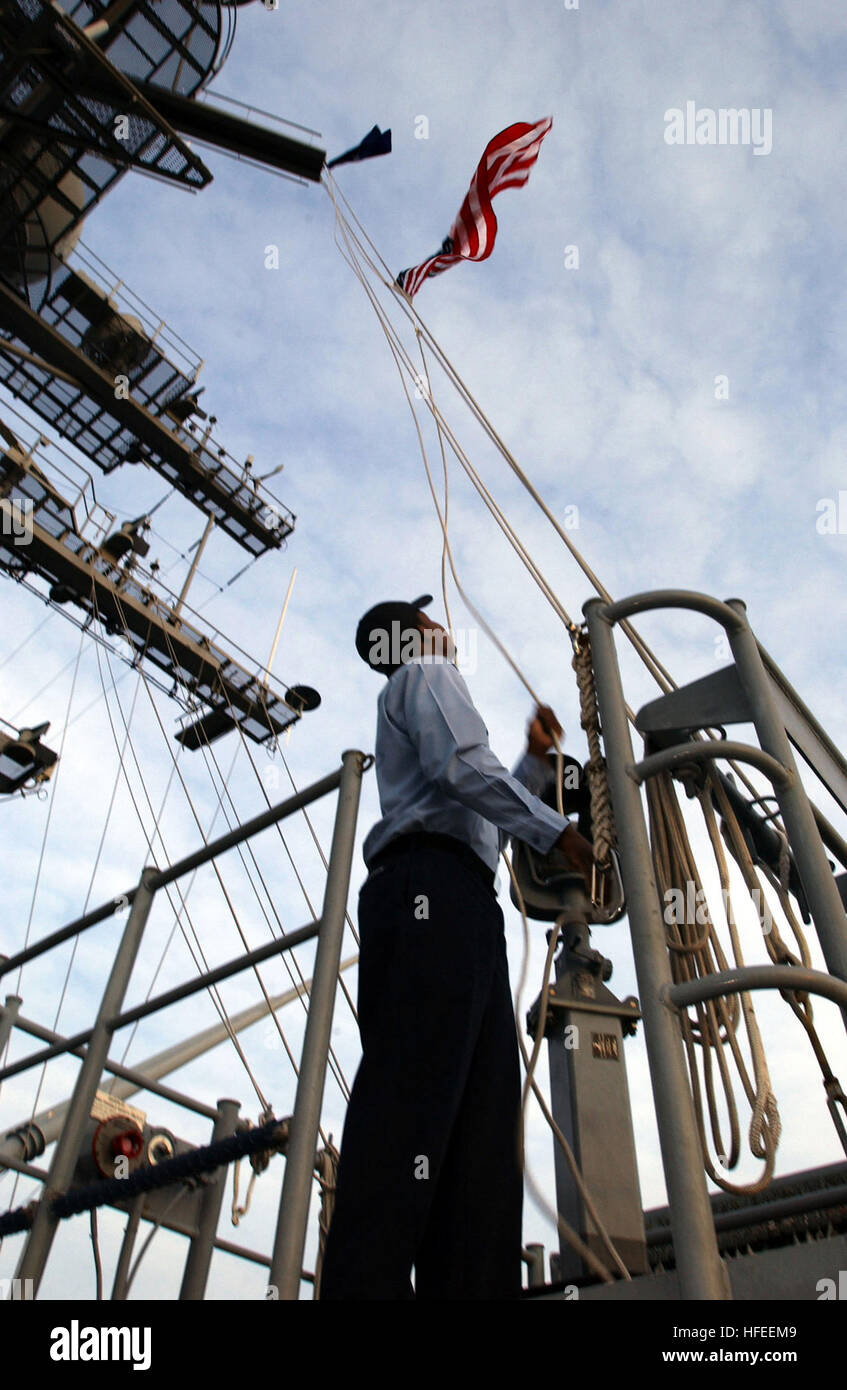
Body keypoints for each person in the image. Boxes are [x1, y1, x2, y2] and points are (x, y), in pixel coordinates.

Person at [318, 594, 594, 1300]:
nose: (443, 629)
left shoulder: (416, 691)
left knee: (470, 1119)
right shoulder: (423, 673)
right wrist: (555, 831)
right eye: (431, 621)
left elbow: (473, 801)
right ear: (413, 634)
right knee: (420, 1105)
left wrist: (534, 771)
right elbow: (461, 771)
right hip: (432, 893)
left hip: (449, 896)